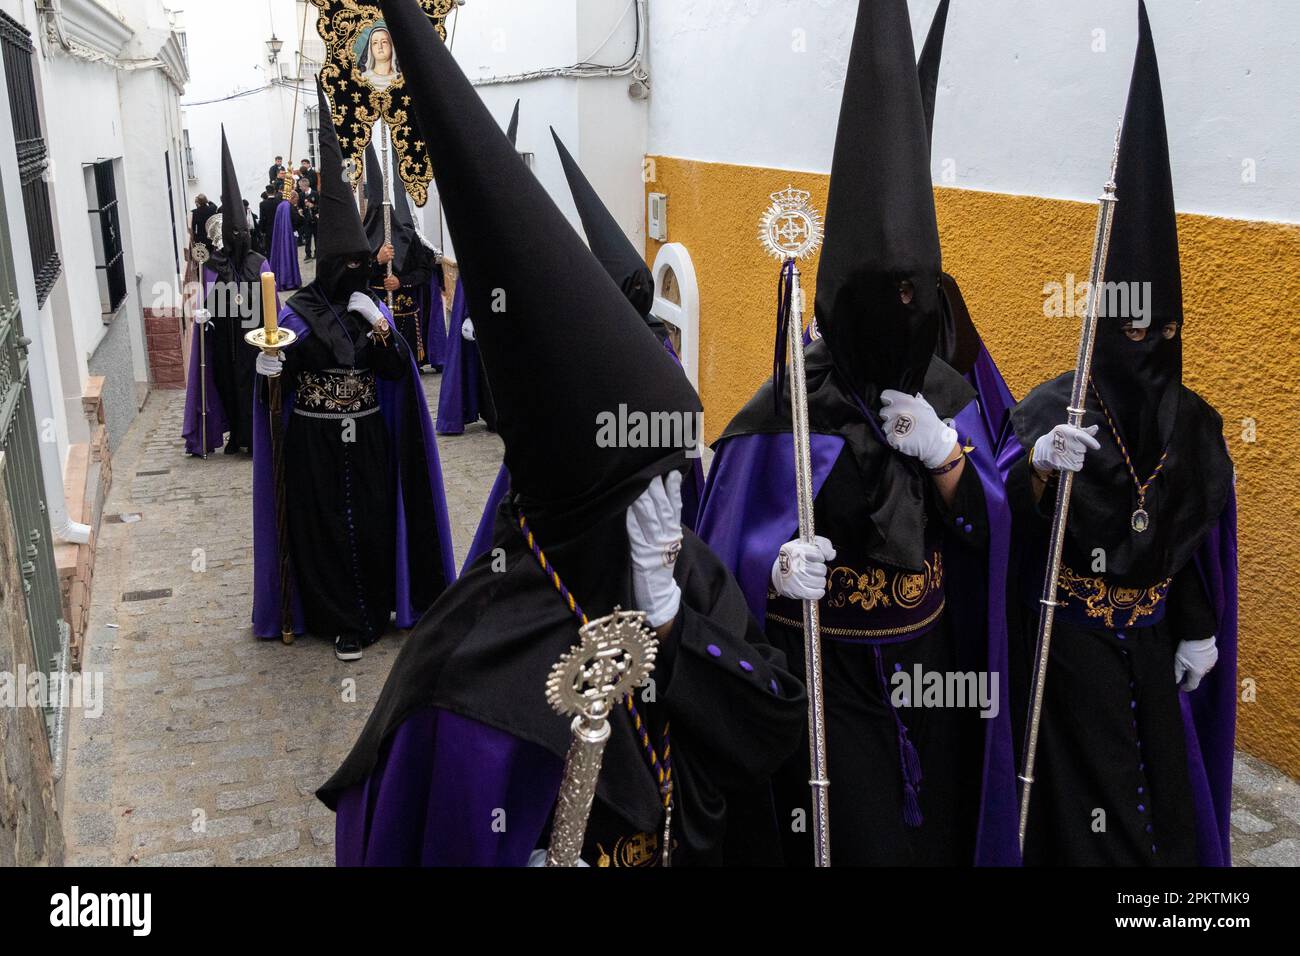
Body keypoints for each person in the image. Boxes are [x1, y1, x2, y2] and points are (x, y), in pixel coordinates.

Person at [318, 0, 807, 867]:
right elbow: (432, 823)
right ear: (594, 490)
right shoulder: (466, 663)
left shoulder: (684, 573)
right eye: (650, 475)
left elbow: (770, 728)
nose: (674, 499)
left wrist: (676, 629)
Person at [695, 0, 1018, 866]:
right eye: (883, 292)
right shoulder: (785, 409)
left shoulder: (949, 391)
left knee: (939, 834)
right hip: (829, 683)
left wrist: (948, 457)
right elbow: (716, 554)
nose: (901, 311)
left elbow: (998, 536)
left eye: (917, 291)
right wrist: (770, 570)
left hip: (939, 670)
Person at [1004, 1, 1236, 867]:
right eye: (1133, 335)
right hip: (1064, 651)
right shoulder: (1053, 408)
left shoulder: (1197, 425)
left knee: (1159, 805)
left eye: (1165, 335)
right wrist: (1032, 471)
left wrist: (1200, 625)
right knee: (1080, 815)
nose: (1150, 350)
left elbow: (1194, 542)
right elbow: (1005, 529)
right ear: (1104, 327)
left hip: (1147, 644)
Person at [251, 81, 456, 662]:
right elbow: (277, 383)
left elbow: (397, 374)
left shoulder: (371, 311)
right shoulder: (297, 314)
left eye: (363, 265)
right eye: (350, 266)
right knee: (321, 530)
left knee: (366, 525)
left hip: (365, 436)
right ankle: (334, 618)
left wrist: (382, 326)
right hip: (313, 440)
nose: (357, 273)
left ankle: (375, 607)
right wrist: (268, 363)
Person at [183, 129, 275, 458]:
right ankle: (236, 435)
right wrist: (203, 315)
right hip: (224, 341)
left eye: (239, 232)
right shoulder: (214, 264)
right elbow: (208, 300)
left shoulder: (259, 263)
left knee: (251, 387)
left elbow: (271, 305)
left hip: (253, 339)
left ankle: (254, 436)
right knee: (227, 386)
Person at [362, 142, 440, 370]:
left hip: (406, 313)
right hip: (375, 313)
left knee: (406, 367)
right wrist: (377, 262)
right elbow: (352, 275)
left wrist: (401, 281)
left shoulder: (410, 238)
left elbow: (425, 271)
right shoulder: (364, 238)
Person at [267, 187, 302, 290]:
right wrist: (300, 216)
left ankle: (282, 280)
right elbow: (296, 221)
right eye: (296, 199)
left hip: (280, 237)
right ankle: (290, 281)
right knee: (289, 257)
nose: (296, 201)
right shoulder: (289, 207)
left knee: (281, 257)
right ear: (292, 197)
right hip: (289, 237)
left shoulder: (281, 206)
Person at [358, 24, 398, 90]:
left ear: (392, 46)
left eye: (384, 42)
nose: (380, 47)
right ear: (370, 49)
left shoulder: (399, 78)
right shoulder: (363, 77)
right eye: (375, 43)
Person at [296, 176, 318, 260]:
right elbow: (299, 205)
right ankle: (308, 254)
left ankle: (317, 252)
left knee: (316, 237)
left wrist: (313, 206)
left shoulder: (315, 193)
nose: (299, 187)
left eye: (300, 186)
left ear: (305, 186)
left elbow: (319, 205)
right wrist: (300, 210)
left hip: (315, 218)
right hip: (306, 219)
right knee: (308, 237)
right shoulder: (301, 195)